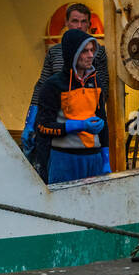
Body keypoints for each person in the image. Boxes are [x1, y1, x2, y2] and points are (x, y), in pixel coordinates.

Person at [21, 3, 110, 162]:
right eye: (75, 21)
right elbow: (41, 85)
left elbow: (102, 90)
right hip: (54, 119)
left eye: (84, 22)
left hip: (84, 128)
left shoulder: (96, 53)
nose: (79, 26)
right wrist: (30, 120)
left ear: (89, 25)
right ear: (66, 23)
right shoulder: (54, 52)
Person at [30, 29, 110, 184]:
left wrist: (105, 158)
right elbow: (43, 127)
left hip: (94, 160)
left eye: (92, 50)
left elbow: (103, 123)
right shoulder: (53, 85)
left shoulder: (96, 82)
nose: (90, 55)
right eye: (84, 51)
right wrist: (78, 125)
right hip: (64, 160)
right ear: (72, 53)